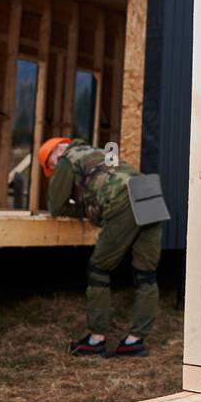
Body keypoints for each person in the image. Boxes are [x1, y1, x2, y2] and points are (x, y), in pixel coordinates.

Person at [38, 137, 166, 357]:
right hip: (148, 189)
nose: (54, 168)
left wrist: (84, 210)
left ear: (56, 151)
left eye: (50, 165)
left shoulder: (67, 158)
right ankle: (135, 341)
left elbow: (56, 206)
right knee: (146, 274)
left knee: (99, 270)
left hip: (123, 198)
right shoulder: (96, 153)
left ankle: (96, 339)